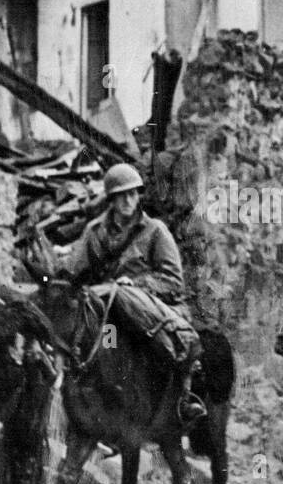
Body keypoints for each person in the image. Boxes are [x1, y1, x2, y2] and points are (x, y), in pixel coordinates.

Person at [60, 162, 207, 425]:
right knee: (96, 347)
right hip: (109, 314)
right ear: (112, 199)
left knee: (167, 349)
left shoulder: (155, 231)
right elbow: (72, 270)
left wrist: (136, 285)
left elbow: (173, 281)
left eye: (132, 193)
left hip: (153, 311)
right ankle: (98, 405)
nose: (128, 200)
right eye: (121, 195)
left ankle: (181, 397)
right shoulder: (95, 232)